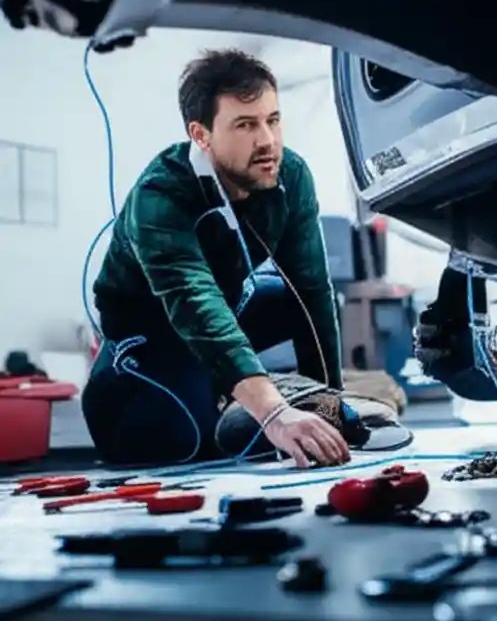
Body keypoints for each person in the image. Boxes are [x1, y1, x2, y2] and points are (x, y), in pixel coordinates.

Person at [81, 48, 353, 469]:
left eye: (273, 120)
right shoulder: (160, 196)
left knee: (295, 299)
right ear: (201, 134)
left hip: (230, 306)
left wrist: (329, 409)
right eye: (246, 125)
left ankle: (240, 387)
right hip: (155, 336)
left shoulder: (290, 175)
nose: (267, 141)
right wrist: (276, 414)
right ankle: (199, 391)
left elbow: (311, 290)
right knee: (190, 444)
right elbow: (195, 304)